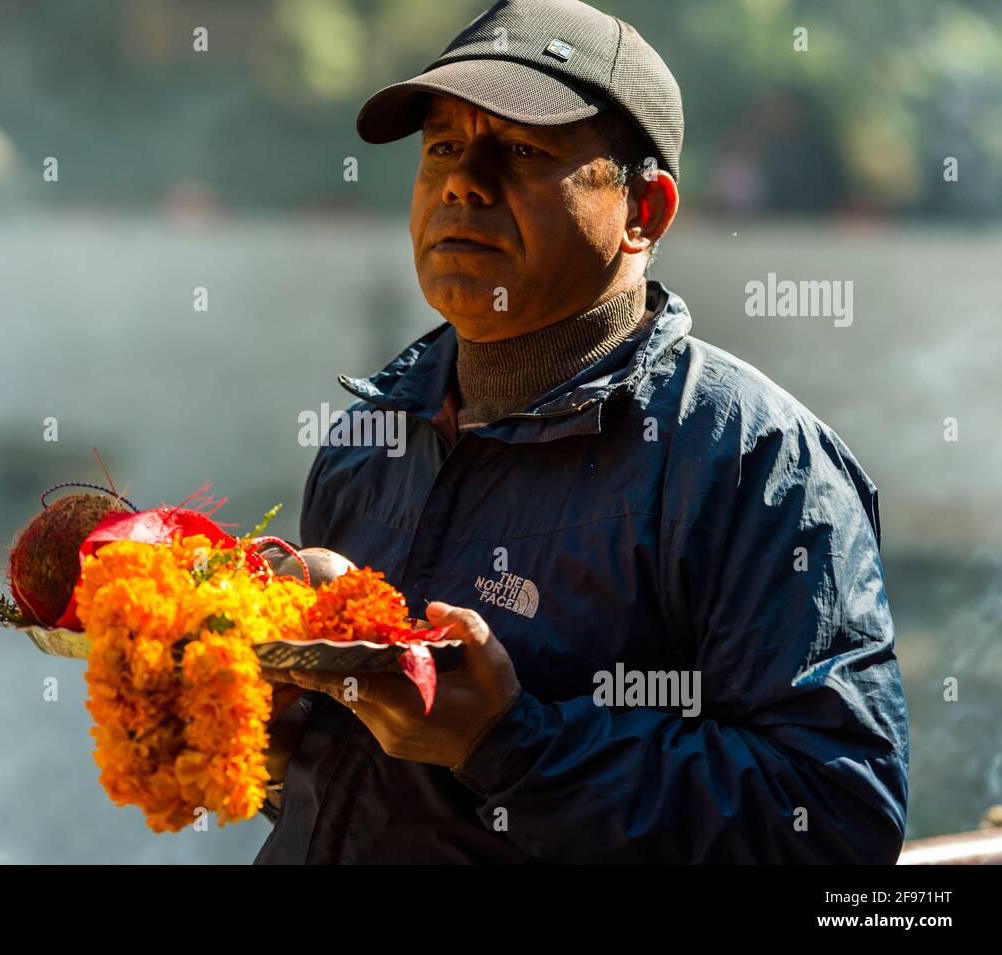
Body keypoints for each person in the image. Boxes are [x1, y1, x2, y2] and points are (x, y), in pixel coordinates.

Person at [256, 0, 909, 864]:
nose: (463, 181)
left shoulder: (749, 461)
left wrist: (510, 744)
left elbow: (834, 818)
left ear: (646, 210)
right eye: (443, 146)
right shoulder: (372, 435)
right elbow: (346, 799)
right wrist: (270, 737)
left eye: (523, 151)